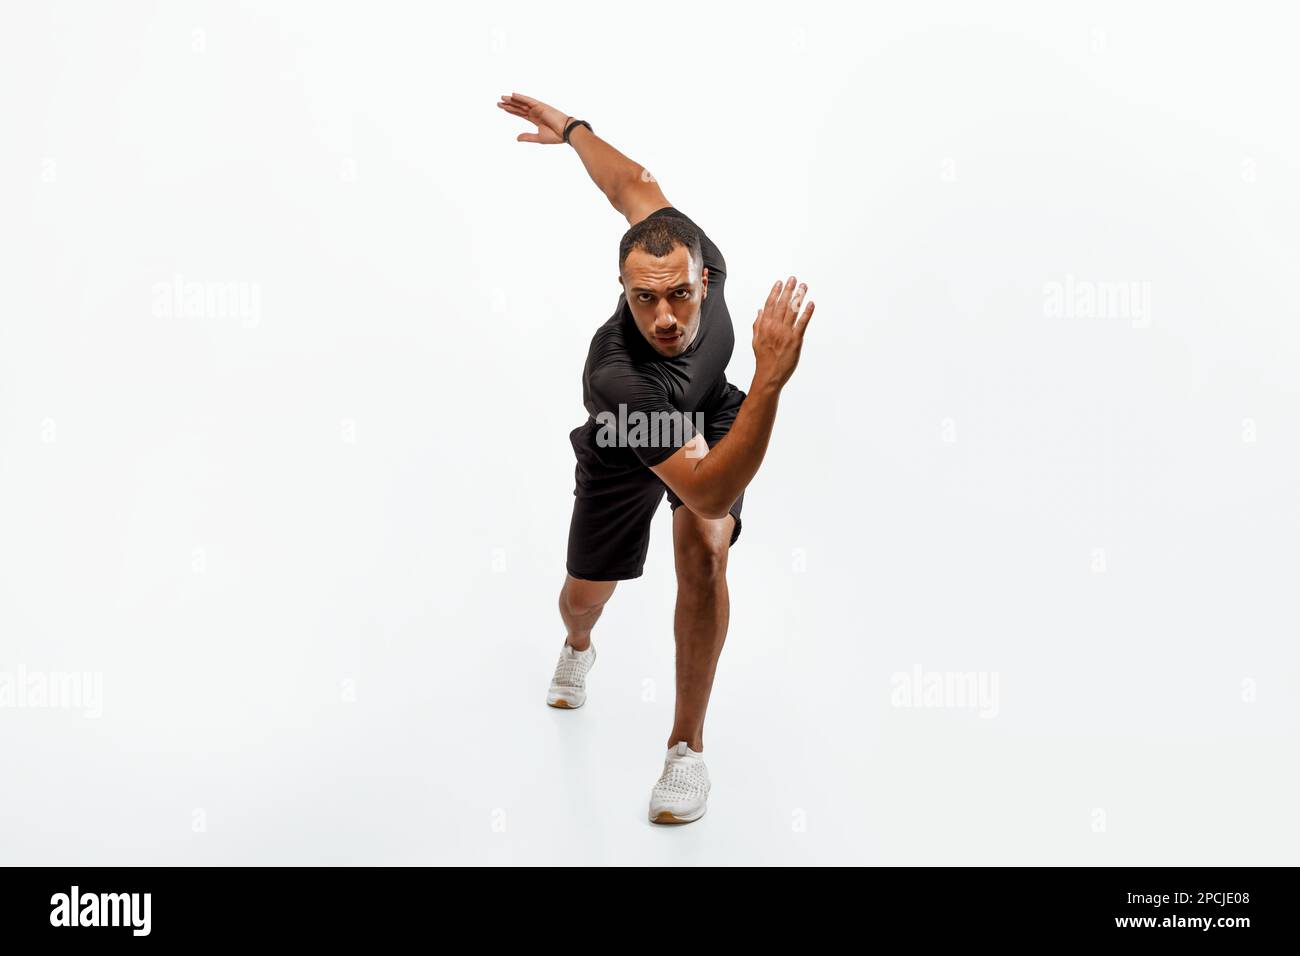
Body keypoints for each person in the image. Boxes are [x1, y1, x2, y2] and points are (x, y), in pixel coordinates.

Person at [497, 92, 816, 824]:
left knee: (703, 551)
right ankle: (579, 645)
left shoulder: (699, 254)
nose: (665, 317)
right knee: (582, 598)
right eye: (645, 300)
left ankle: (685, 750)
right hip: (624, 443)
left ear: (705, 276)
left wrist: (574, 131)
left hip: (707, 413)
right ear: (622, 288)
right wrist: (770, 377)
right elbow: (704, 488)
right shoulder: (619, 375)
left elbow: (630, 181)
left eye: (678, 294)